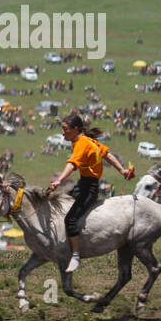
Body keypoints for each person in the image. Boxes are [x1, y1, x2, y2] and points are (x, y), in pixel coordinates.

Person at [47, 113, 135, 272]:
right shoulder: (89, 141)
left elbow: (72, 164)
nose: (62, 132)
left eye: (65, 129)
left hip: (88, 189)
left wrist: (59, 180)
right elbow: (107, 154)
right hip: (83, 184)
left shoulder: (82, 143)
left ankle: (75, 255)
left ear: (75, 129)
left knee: (70, 220)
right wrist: (122, 170)